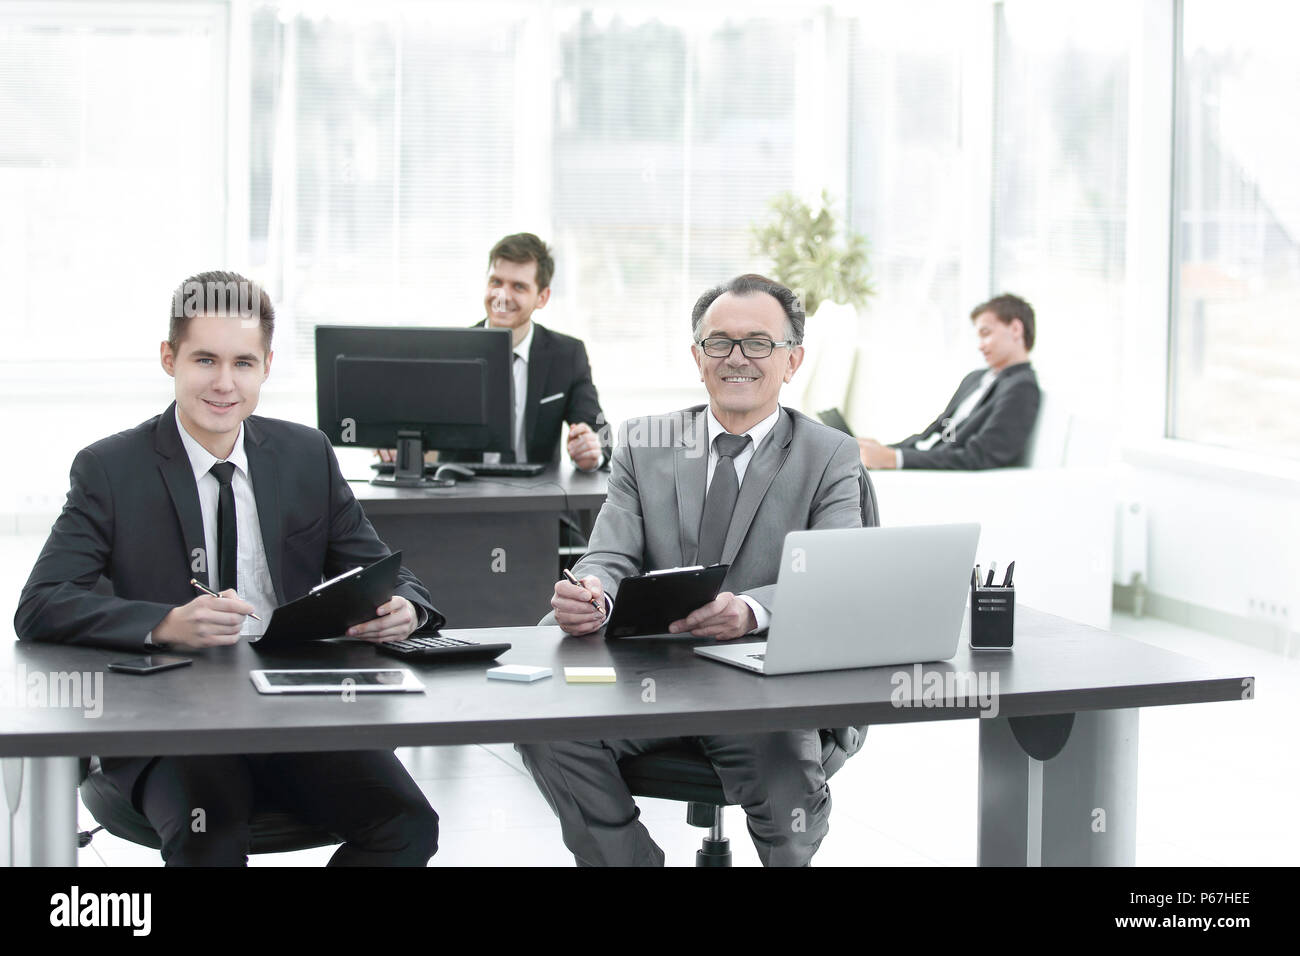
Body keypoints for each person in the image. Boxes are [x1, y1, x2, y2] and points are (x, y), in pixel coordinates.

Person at [14, 271, 441, 866]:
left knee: (408, 825)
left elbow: (384, 570)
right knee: (210, 837)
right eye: (205, 360)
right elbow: (40, 604)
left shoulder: (305, 455)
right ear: (170, 359)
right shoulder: (110, 469)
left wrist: (408, 608)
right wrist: (164, 624)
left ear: (266, 365)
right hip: (174, 729)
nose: (223, 383)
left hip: (297, 714)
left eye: (243, 362)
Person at [516, 274, 867, 867]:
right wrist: (594, 592)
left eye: (758, 343)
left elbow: (838, 576)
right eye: (719, 343)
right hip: (648, 676)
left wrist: (751, 609)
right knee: (544, 725)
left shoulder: (830, 453)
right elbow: (609, 553)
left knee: (787, 789)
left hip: (764, 685)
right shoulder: (644, 441)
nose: (737, 358)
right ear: (697, 357)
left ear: (792, 360)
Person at [444, 232, 609, 469]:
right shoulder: (451, 351)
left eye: (518, 286)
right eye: (496, 282)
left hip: (536, 497)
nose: (502, 295)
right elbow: (413, 426)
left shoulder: (567, 355)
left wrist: (592, 449)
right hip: (459, 497)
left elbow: (599, 430)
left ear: (542, 297)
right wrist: (396, 444)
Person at [856, 293, 1041, 470]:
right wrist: (889, 450)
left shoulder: (1022, 388)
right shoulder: (975, 378)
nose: (980, 345)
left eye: (986, 333)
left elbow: (980, 455)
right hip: (931, 459)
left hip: (946, 476)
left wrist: (895, 459)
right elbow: (943, 429)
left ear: (1016, 329)